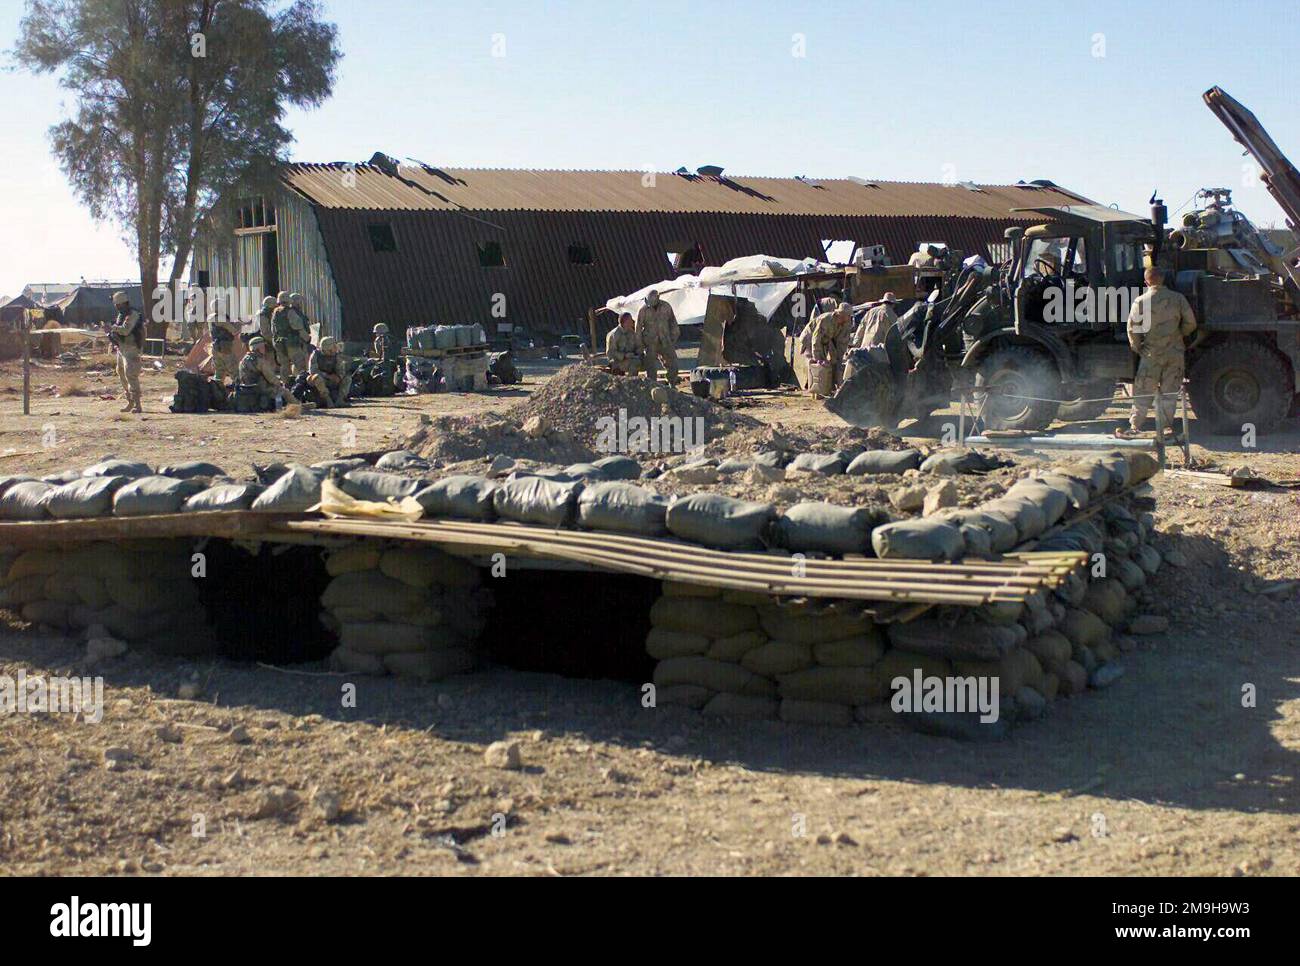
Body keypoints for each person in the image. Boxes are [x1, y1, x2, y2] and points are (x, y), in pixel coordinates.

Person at [1123, 266, 1197, 437]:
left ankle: (1135, 426)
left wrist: (1138, 346)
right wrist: (1179, 335)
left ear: (1146, 281)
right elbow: (1191, 323)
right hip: (1174, 353)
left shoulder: (1141, 301)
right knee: (1169, 393)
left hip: (1151, 353)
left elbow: (1132, 328)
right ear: (1163, 279)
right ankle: (1165, 427)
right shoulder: (1178, 298)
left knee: (1142, 391)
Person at [108, 290, 144, 413]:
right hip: (122, 348)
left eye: (117, 305)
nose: (116, 307)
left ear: (123, 304)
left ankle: (137, 405)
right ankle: (130, 402)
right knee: (122, 374)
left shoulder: (132, 314)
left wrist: (112, 328)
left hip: (131, 348)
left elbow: (125, 330)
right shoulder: (122, 314)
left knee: (131, 375)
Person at [635, 290, 680, 384]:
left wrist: (674, 336)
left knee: (673, 362)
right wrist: (640, 345)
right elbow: (638, 328)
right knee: (651, 365)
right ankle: (652, 384)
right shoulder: (643, 310)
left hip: (665, 340)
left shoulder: (666, 306)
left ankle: (672, 382)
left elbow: (673, 322)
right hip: (650, 342)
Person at [811, 301, 855, 391]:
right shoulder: (826, 319)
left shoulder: (847, 323)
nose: (850, 318)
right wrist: (817, 358)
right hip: (810, 336)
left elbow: (842, 343)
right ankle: (816, 389)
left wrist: (840, 359)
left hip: (827, 339)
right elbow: (816, 339)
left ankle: (830, 387)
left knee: (834, 362)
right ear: (841, 314)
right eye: (848, 316)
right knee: (816, 364)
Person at [237, 336, 286, 412]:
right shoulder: (260, 360)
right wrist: (280, 383)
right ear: (257, 348)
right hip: (260, 388)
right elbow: (271, 378)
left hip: (246, 389)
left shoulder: (243, 360)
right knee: (285, 392)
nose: (264, 349)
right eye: (262, 347)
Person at [271, 290, 312, 376]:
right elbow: (298, 327)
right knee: (300, 365)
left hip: (279, 343)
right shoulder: (290, 312)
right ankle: (300, 384)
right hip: (292, 343)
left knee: (284, 366)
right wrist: (307, 338)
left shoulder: (275, 312)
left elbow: (273, 330)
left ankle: (286, 384)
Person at [307, 337, 352, 408]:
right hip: (319, 381)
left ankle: (340, 400)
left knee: (347, 378)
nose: (334, 350)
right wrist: (327, 376)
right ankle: (328, 399)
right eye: (331, 349)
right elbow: (313, 370)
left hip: (332, 381)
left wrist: (339, 377)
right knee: (316, 377)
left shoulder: (336, 356)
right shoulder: (315, 355)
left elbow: (341, 370)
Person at [207, 297, 241, 385]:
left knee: (219, 372)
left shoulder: (211, 318)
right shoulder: (222, 319)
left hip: (215, 347)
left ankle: (217, 390)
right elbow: (234, 331)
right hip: (225, 348)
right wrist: (239, 323)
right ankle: (239, 390)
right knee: (234, 370)